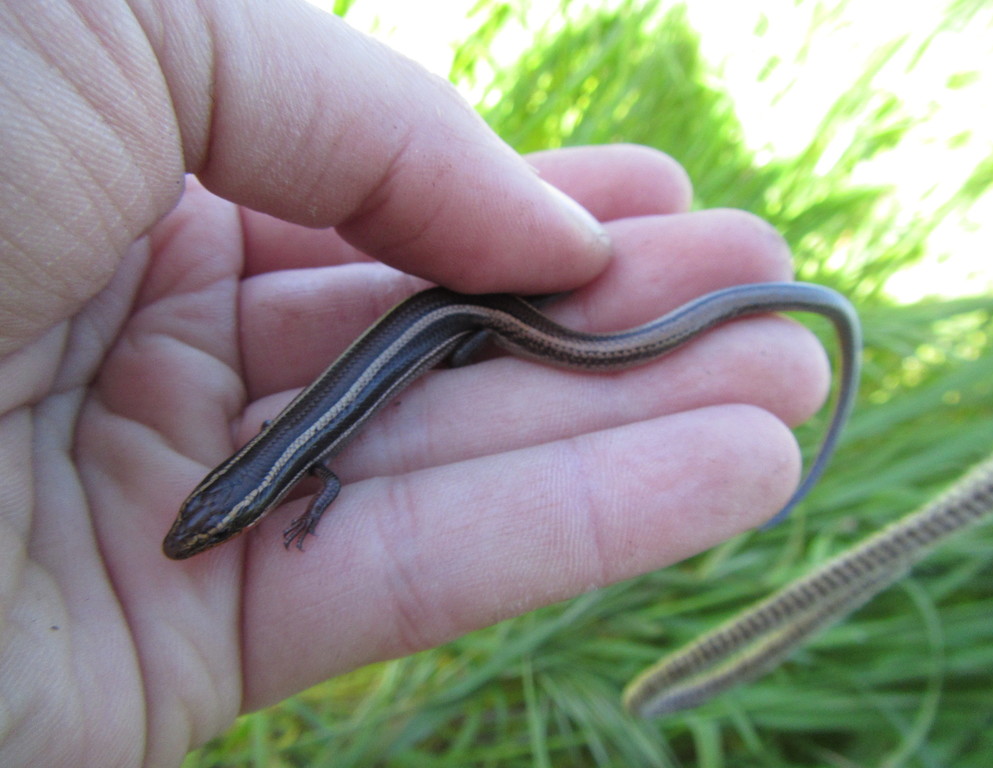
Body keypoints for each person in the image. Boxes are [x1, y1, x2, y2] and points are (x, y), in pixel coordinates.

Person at [0, 1, 829, 765]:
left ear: (237, 500)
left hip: (448, 320)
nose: (196, 532)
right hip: (439, 323)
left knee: (531, 334)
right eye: (204, 524)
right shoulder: (274, 454)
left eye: (202, 524)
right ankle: (543, 318)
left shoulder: (289, 469)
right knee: (487, 335)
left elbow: (321, 480)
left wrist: (309, 517)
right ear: (229, 493)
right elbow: (308, 470)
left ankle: (585, 310)